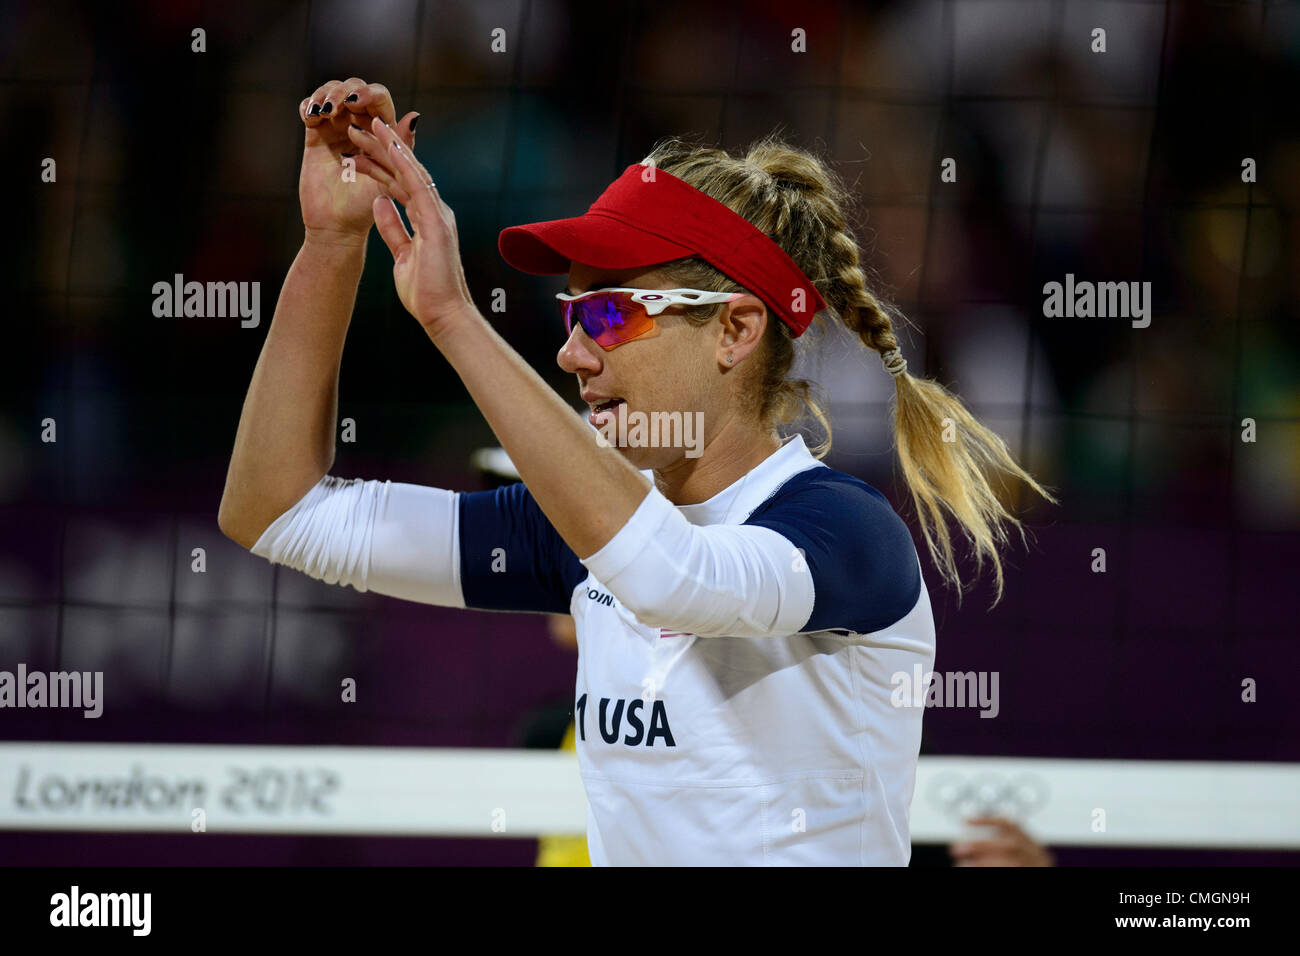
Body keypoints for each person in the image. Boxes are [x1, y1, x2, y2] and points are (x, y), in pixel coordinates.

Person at [218, 78, 1054, 865]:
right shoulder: (583, 535)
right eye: (573, 312)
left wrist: (451, 315)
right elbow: (276, 510)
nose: (573, 351)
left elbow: (671, 577)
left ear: (734, 332)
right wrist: (332, 244)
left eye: (612, 313)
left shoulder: (846, 533)